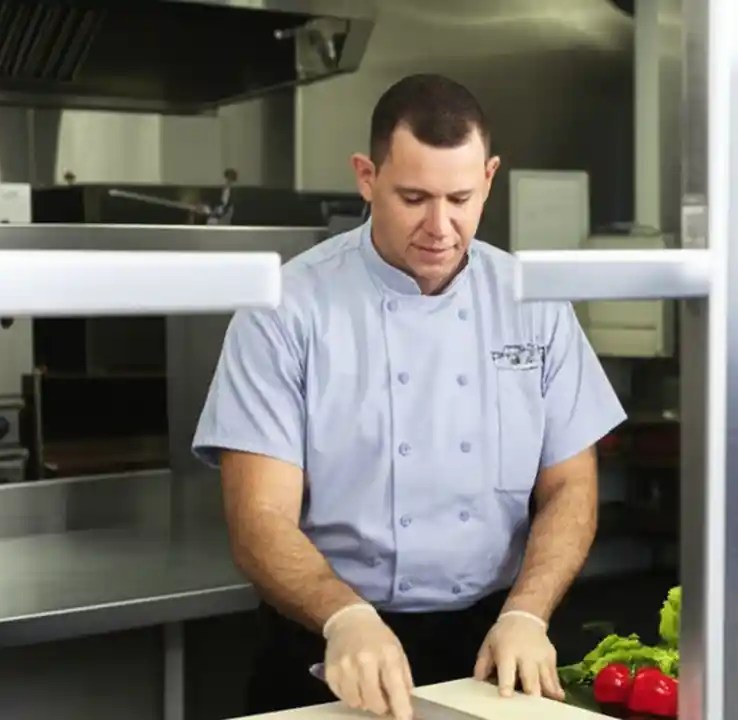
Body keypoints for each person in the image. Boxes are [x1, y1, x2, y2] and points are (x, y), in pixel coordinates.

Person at [192, 73, 625, 720]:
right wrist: (345, 618)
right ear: (366, 177)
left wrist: (529, 613)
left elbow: (571, 486)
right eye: (414, 197)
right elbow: (260, 519)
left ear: (490, 176)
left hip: (493, 650)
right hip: (333, 650)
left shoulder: (532, 302)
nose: (440, 226)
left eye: (460, 197)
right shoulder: (285, 310)